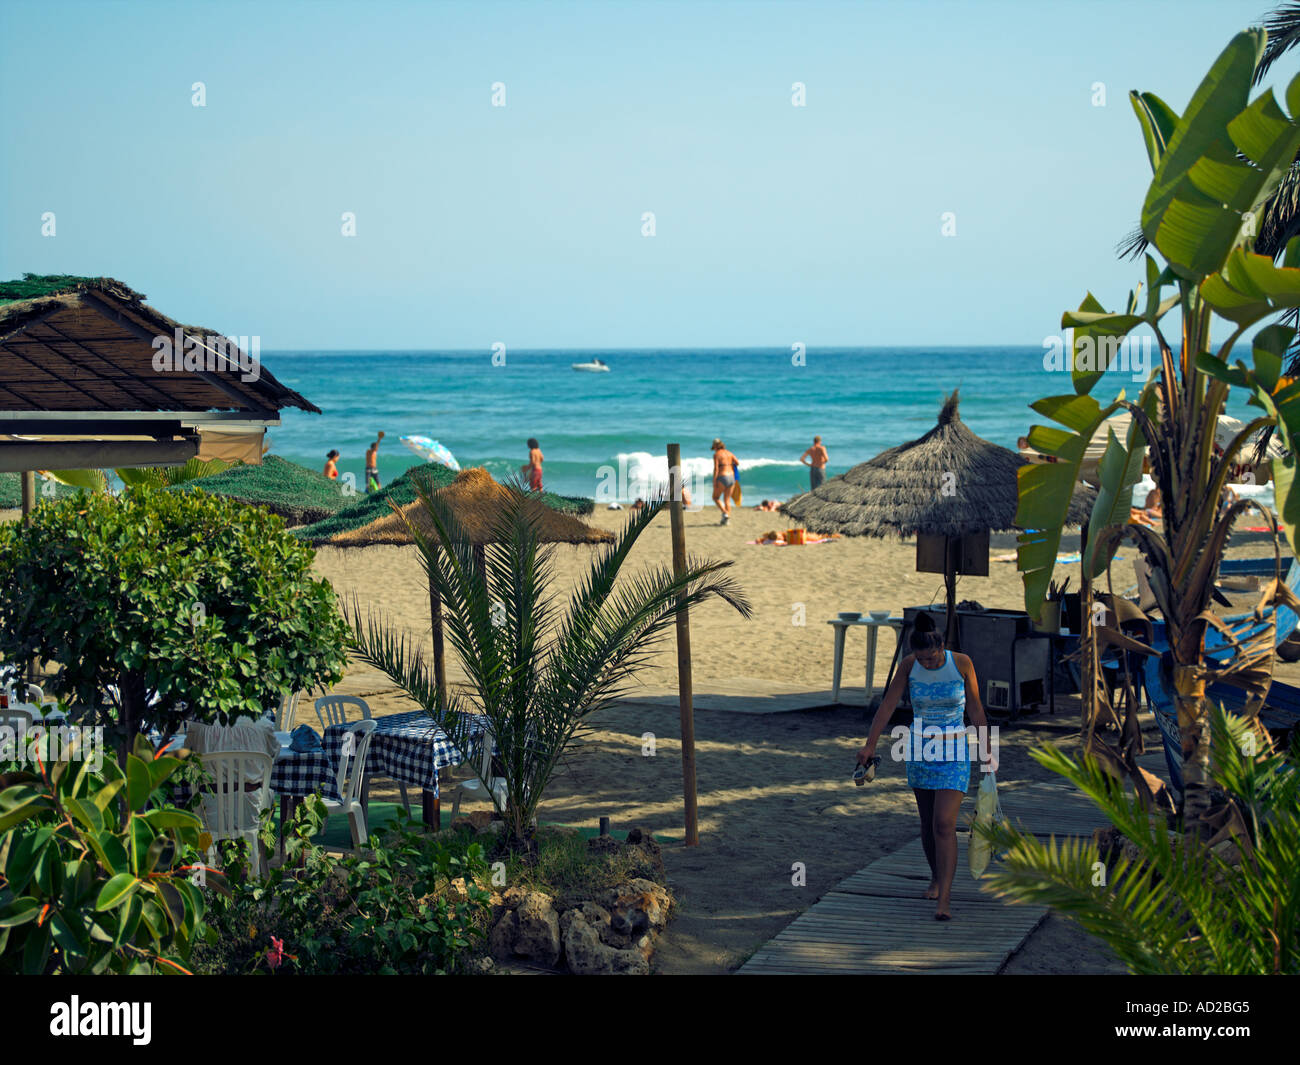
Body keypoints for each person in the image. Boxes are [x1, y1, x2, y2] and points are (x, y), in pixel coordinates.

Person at [856, 612, 993, 921]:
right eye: (922, 660)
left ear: (941, 646)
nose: (927, 664)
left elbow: (976, 709)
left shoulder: (962, 664)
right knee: (929, 824)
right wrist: (870, 744)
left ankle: (944, 897)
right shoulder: (909, 666)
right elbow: (888, 705)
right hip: (920, 750)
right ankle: (935, 876)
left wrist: (988, 752)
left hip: (955, 750)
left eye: (931, 659)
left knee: (945, 823)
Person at [711, 438, 738, 525]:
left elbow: (716, 468)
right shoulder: (729, 453)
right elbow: (737, 462)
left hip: (722, 477)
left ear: (715, 446)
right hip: (731, 477)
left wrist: (714, 480)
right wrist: (730, 465)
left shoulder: (716, 454)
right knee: (727, 500)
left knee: (715, 497)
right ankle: (726, 520)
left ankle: (725, 513)